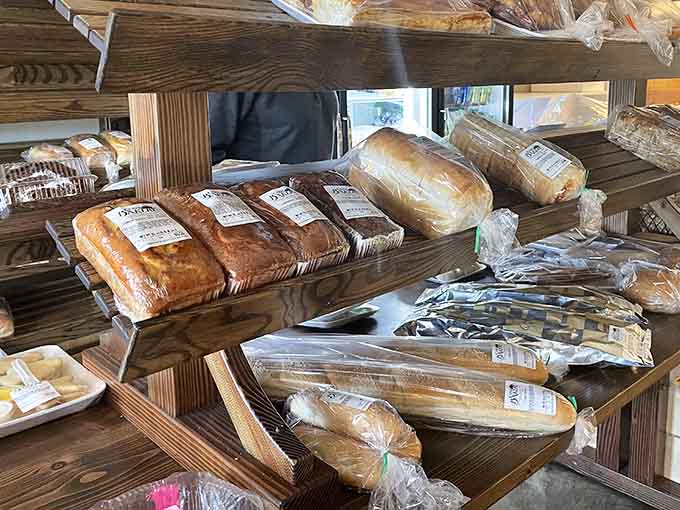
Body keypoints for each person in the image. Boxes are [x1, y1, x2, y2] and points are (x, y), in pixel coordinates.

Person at [209, 92, 339, 165]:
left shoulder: (318, 65)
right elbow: (206, 153)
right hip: (259, 203)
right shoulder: (240, 65)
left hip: (319, 201)